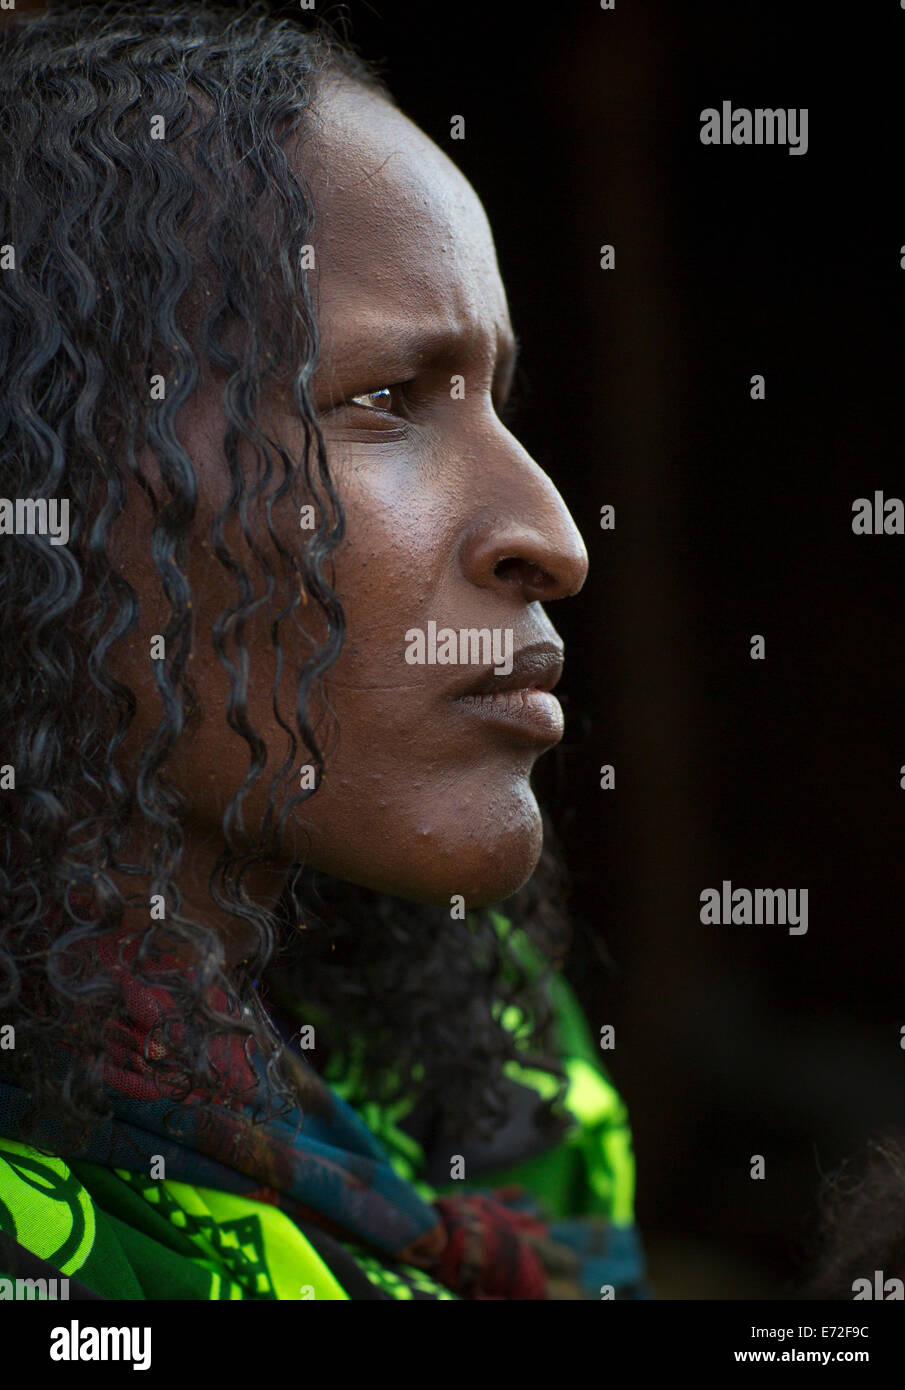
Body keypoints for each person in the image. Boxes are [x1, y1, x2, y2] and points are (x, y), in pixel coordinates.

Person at [0, 0, 648, 1300]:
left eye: (494, 398)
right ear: (44, 475)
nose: (552, 538)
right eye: (382, 401)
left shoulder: (512, 1081)